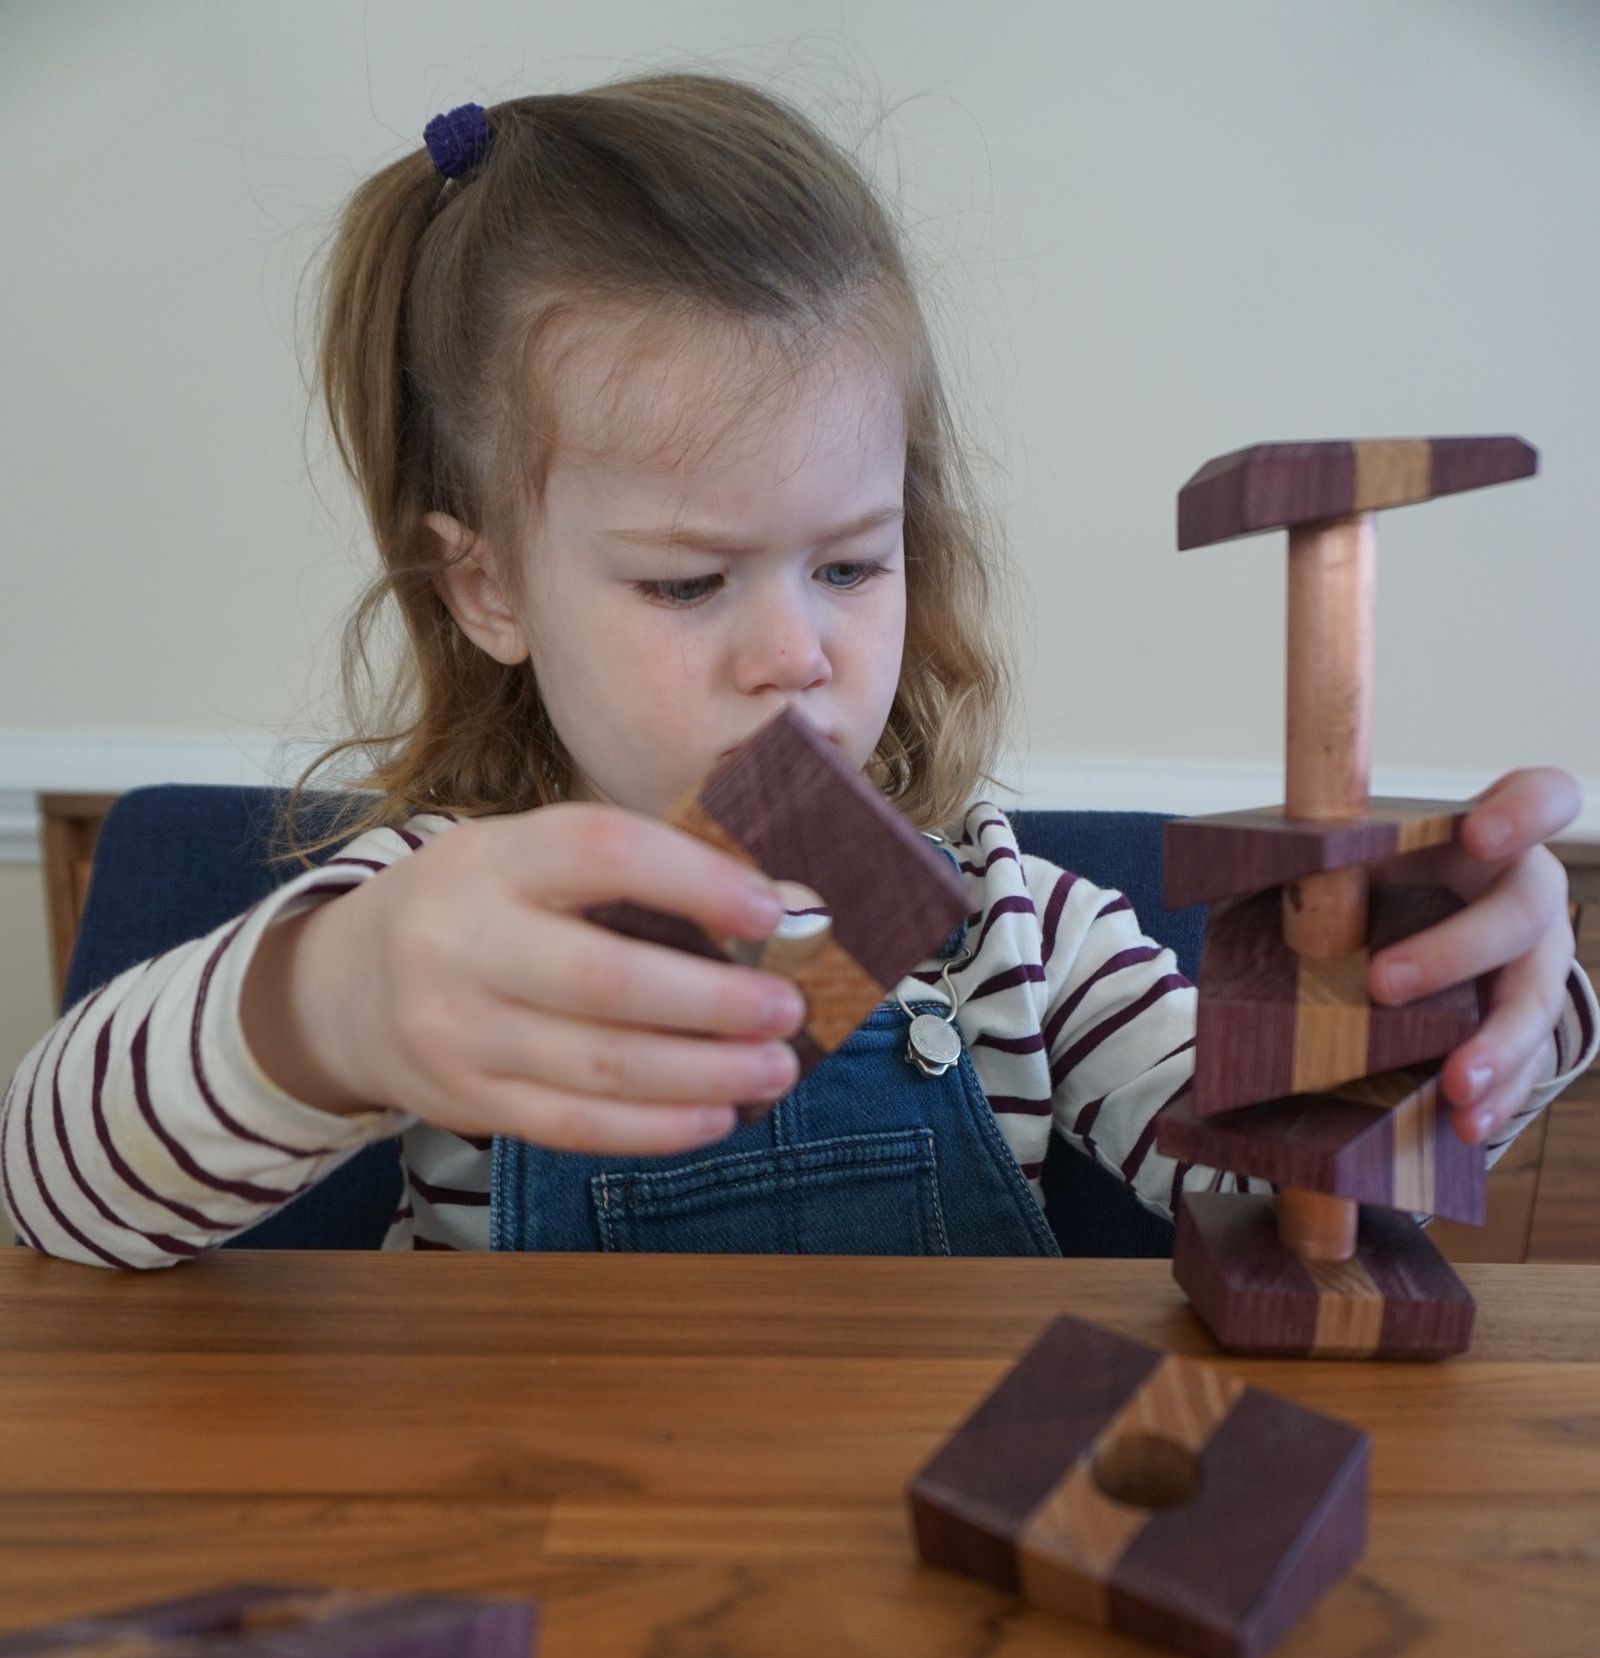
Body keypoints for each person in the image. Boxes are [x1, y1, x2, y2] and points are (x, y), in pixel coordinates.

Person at [4, 77, 1592, 1267]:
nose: (795, 652)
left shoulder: (1005, 927)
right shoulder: (451, 917)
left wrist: (1462, 1017)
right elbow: (50, 1194)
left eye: (849, 563)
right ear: (486, 585)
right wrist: (332, 1010)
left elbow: (1270, 1184)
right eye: (689, 580)